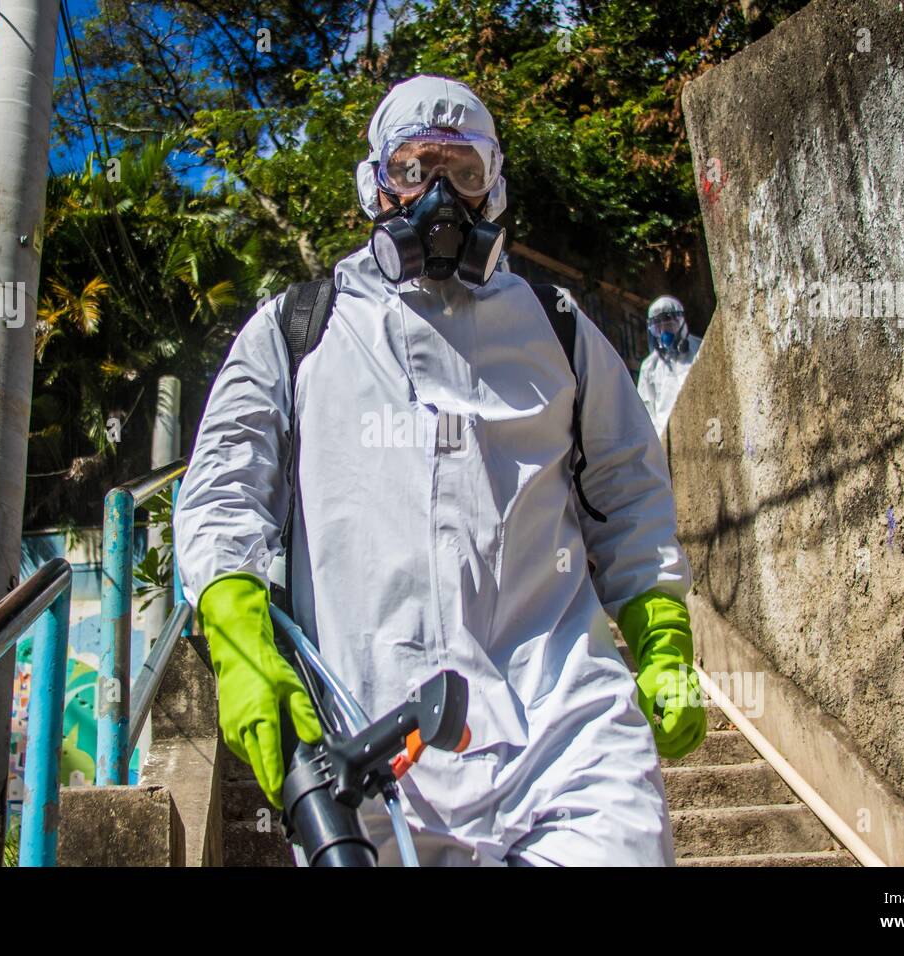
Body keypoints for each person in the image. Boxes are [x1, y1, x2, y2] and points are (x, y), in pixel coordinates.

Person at [174, 75, 705, 867]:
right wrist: (239, 633)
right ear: (373, 185)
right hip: (372, 746)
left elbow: (629, 486)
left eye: (463, 173)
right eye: (414, 169)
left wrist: (660, 633)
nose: (439, 197)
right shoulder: (294, 331)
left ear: (493, 187)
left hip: (565, 729)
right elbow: (225, 487)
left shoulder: (557, 328)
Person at [636, 295, 703, 439]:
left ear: (681, 322)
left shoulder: (700, 349)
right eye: (657, 327)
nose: (663, 330)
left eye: (668, 324)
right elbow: (646, 413)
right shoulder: (649, 367)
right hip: (670, 439)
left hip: (703, 428)